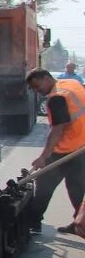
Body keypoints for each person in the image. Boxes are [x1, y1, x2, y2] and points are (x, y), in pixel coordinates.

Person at [24, 68, 85, 234]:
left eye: (38, 87)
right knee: (77, 188)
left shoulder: (57, 97)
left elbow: (57, 130)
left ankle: (33, 223)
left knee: (44, 184)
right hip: (81, 145)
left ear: (46, 78)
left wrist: (43, 157)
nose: (38, 91)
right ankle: (80, 224)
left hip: (67, 148)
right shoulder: (72, 83)